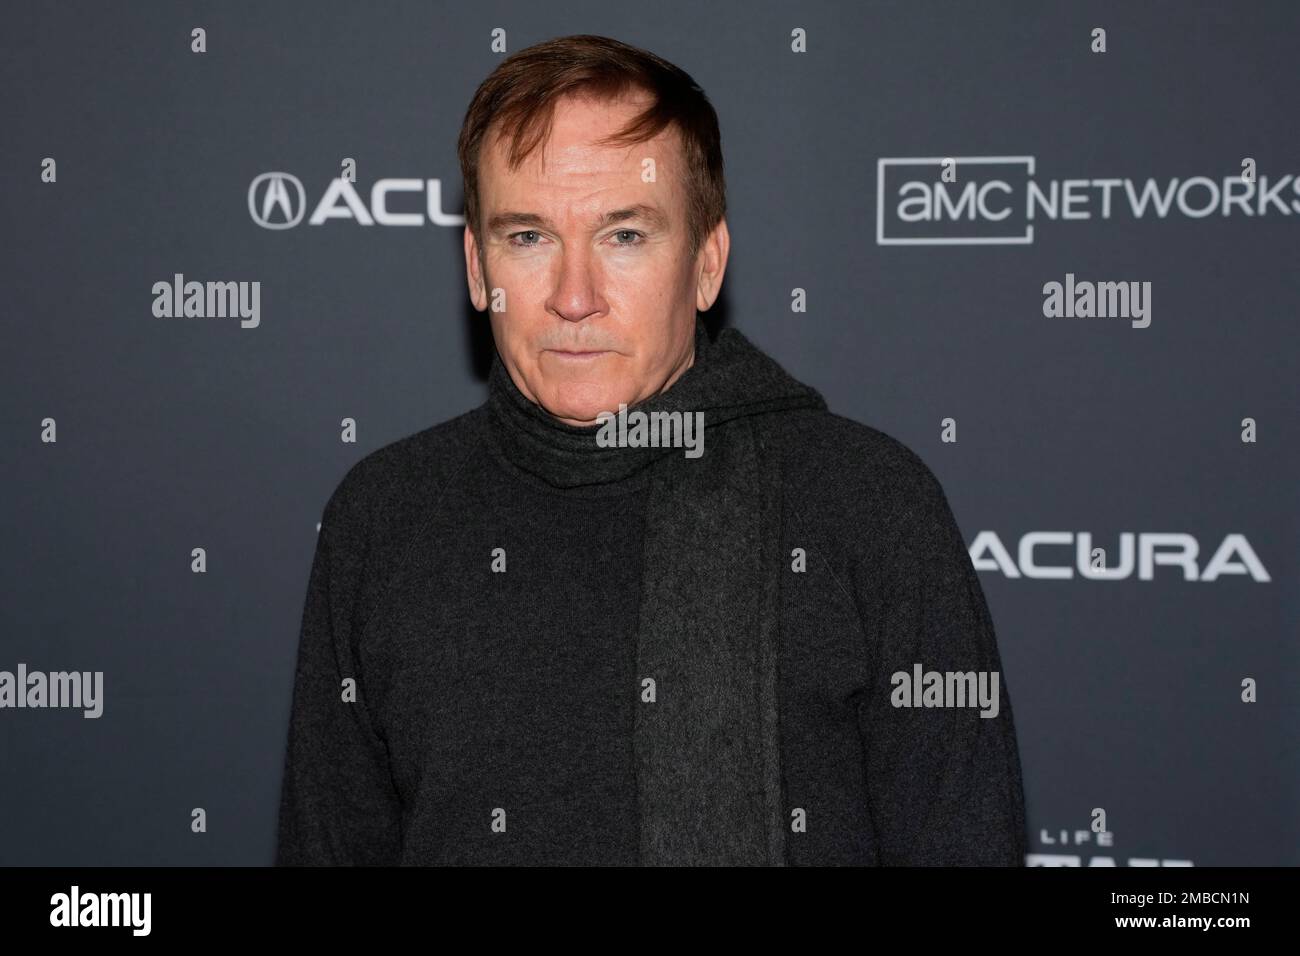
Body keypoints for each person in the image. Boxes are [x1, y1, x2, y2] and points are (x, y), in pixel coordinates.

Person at [275, 34, 1027, 866]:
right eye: (527, 237)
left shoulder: (866, 504)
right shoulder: (384, 518)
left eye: (625, 235)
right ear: (476, 266)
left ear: (707, 263)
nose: (574, 297)